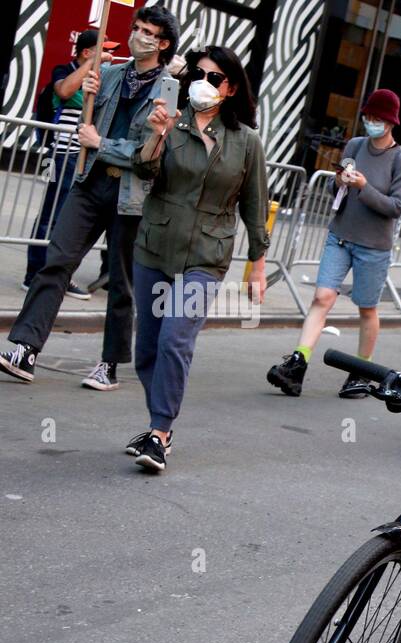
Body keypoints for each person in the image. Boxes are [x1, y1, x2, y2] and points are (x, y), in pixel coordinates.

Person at [0, 4, 178, 391]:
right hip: (89, 183)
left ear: (163, 44)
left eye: (149, 33)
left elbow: (148, 157)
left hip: (131, 195)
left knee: (121, 282)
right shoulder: (110, 74)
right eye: (137, 28)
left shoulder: (167, 92)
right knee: (56, 261)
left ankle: (109, 364)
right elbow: (84, 122)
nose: (139, 36)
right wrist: (90, 102)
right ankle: (26, 348)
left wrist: (101, 143)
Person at [124, 45, 268, 472]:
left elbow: (255, 205)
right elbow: (143, 170)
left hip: (206, 255)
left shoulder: (246, 141)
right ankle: (158, 425)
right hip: (156, 245)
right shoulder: (168, 119)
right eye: (198, 74)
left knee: (175, 341)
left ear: (231, 88)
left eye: (214, 78)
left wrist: (258, 265)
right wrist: (158, 134)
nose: (203, 83)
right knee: (147, 349)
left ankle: (160, 433)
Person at [267, 89, 401, 398]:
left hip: (373, 246)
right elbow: (336, 191)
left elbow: (396, 207)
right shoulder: (355, 145)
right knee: (322, 297)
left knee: (367, 308)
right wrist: (339, 181)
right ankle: (298, 362)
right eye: (367, 116)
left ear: (391, 121)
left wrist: (364, 186)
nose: (370, 122)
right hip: (340, 235)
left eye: (377, 118)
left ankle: (361, 372)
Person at [24, 29, 119, 299]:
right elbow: (65, 90)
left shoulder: (101, 78)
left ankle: (58, 276)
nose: (109, 55)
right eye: (103, 50)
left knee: (70, 221)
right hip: (64, 156)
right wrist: (92, 64)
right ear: (87, 52)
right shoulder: (65, 70)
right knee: (51, 216)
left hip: (86, 160)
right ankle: (34, 275)